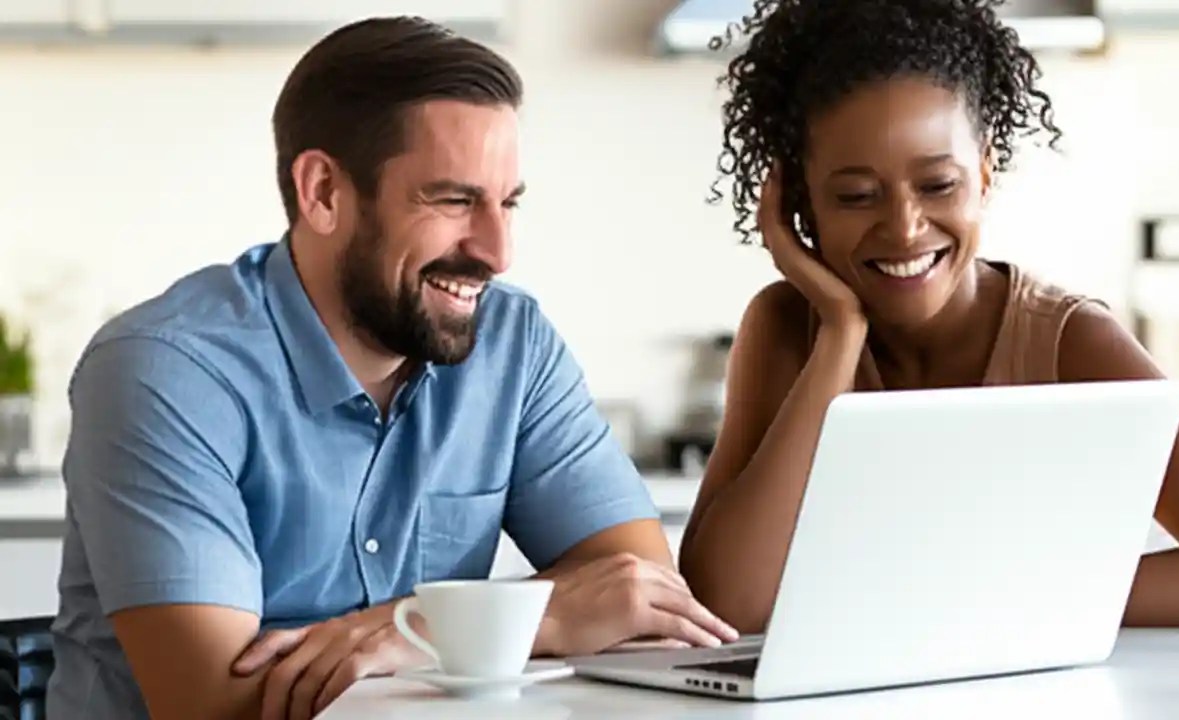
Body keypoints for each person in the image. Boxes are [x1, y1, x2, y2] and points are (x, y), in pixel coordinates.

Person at [47, 17, 737, 720]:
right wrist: (521, 620)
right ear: (322, 192)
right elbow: (215, 706)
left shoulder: (512, 344)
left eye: (508, 202)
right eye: (453, 200)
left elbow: (645, 598)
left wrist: (415, 632)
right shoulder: (164, 373)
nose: (497, 253)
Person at [679, 0, 1179, 635]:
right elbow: (725, 603)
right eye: (856, 196)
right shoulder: (787, 330)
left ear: (985, 175)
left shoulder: (1069, 342)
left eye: (938, 185)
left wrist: (995, 590)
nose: (905, 228)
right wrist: (840, 335)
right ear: (800, 201)